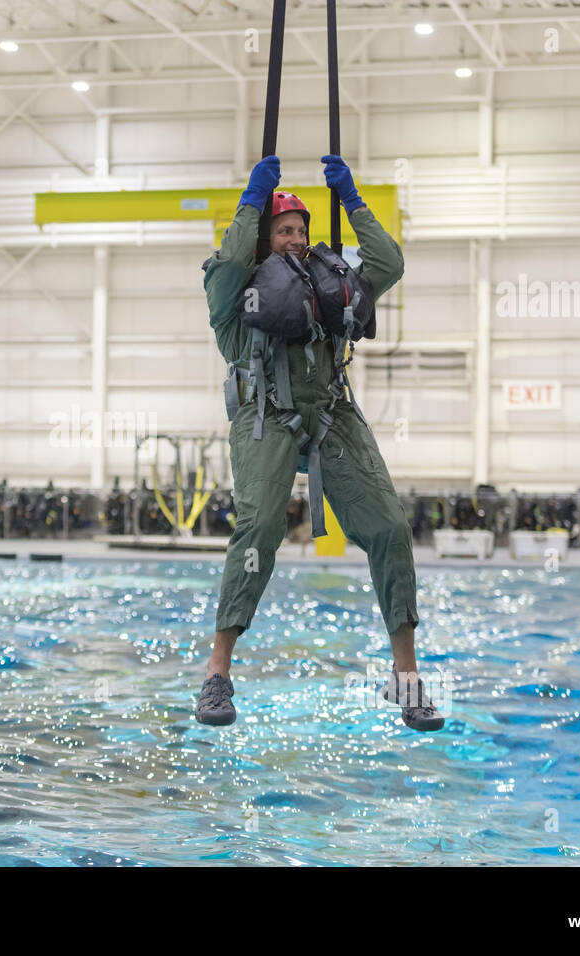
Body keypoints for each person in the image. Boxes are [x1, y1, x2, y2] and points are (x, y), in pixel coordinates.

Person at [195, 153, 444, 732]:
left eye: (301, 230)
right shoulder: (235, 293)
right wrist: (252, 201)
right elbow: (233, 256)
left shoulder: (331, 286)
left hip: (332, 413)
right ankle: (218, 673)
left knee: (388, 527)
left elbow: (389, 260)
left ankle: (406, 680)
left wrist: (353, 200)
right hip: (266, 415)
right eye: (283, 231)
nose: (295, 239)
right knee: (258, 528)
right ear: (263, 239)